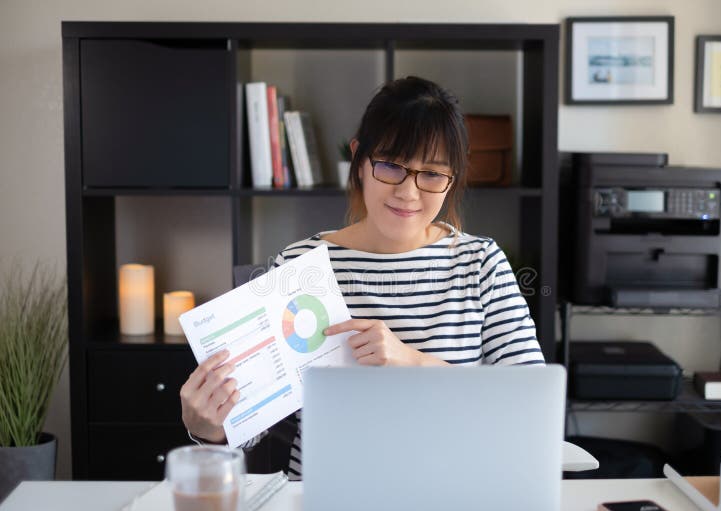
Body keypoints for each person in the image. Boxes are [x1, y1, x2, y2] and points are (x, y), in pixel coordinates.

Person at [179, 76, 544, 480]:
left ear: (453, 178)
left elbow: (529, 409)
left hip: (452, 495)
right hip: (324, 497)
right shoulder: (300, 265)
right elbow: (250, 424)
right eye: (391, 166)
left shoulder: (480, 263)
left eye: (432, 174)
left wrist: (412, 362)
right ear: (359, 159)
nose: (409, 192)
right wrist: (210, 426)